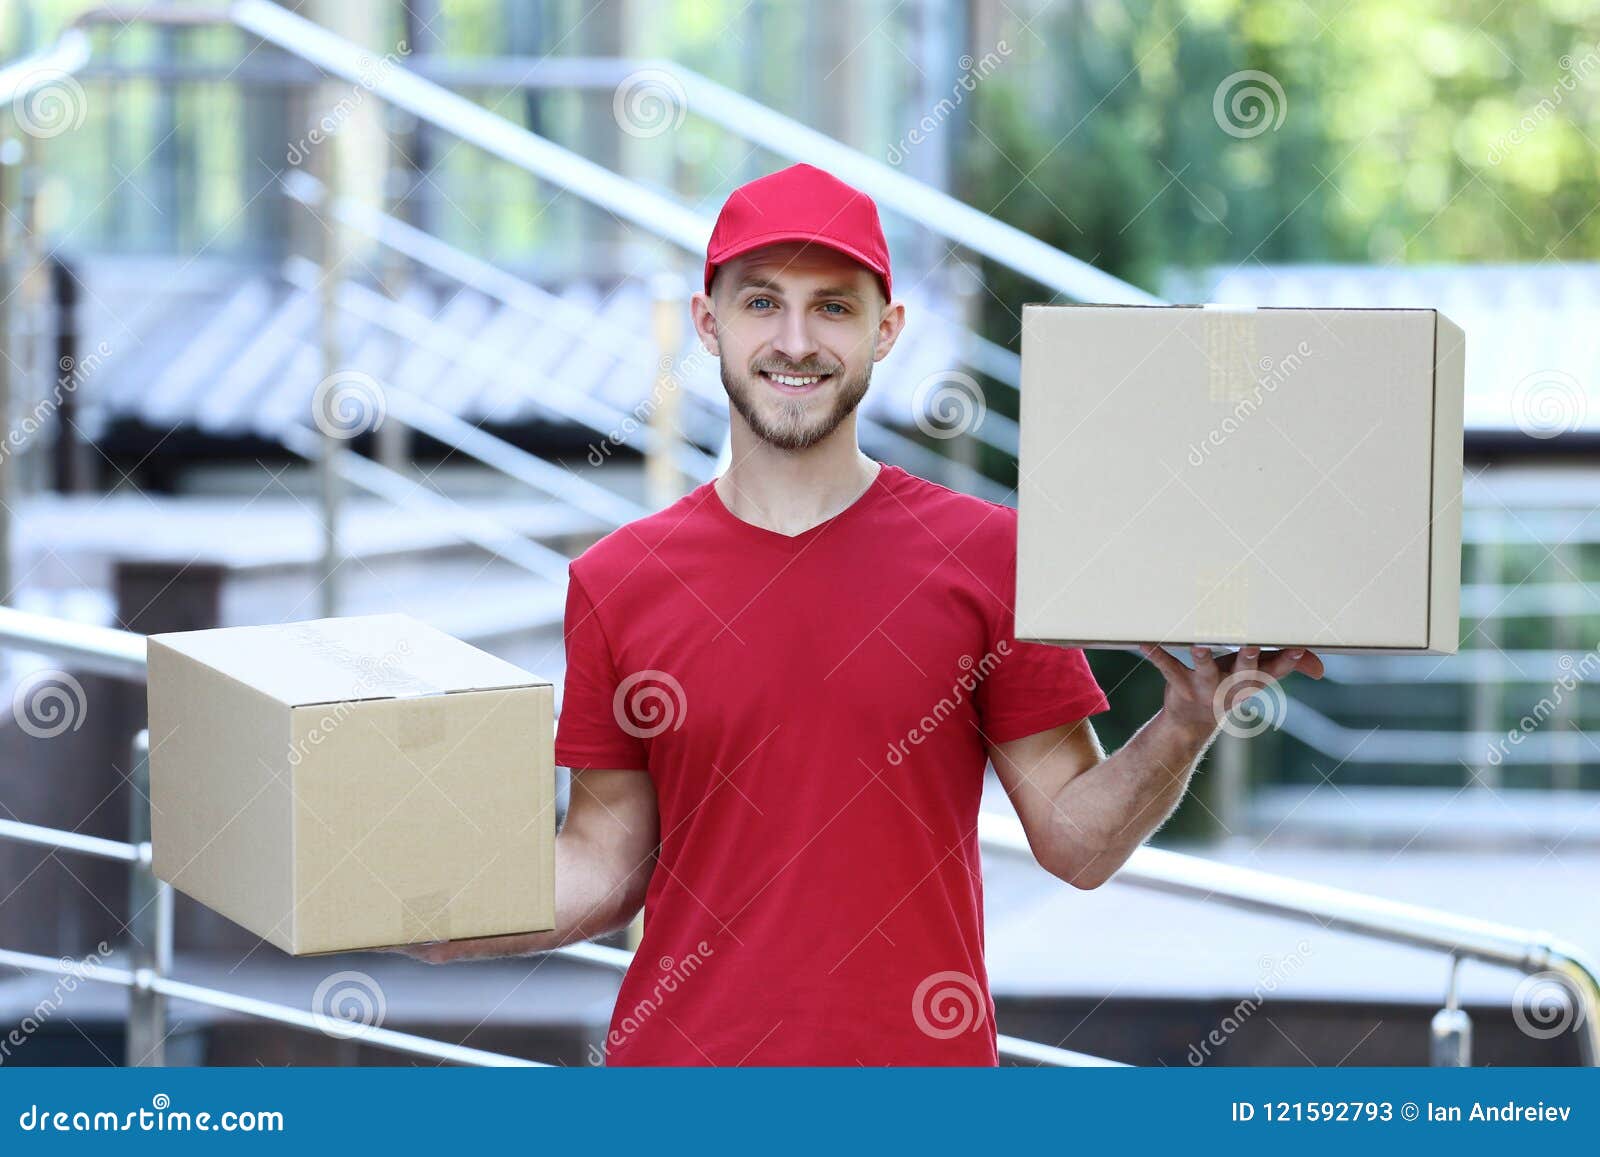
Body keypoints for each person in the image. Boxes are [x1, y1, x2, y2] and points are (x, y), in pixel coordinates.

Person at [394, 162, 1323, 1065]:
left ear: (888, 329)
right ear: (708, 323)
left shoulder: (990, 556)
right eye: (762, 302)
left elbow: (1077, 844)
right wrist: (435, 913)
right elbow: (604, 862)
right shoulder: (619, 580)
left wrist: (1186, 720)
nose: (796, 340)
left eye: (834, 307)